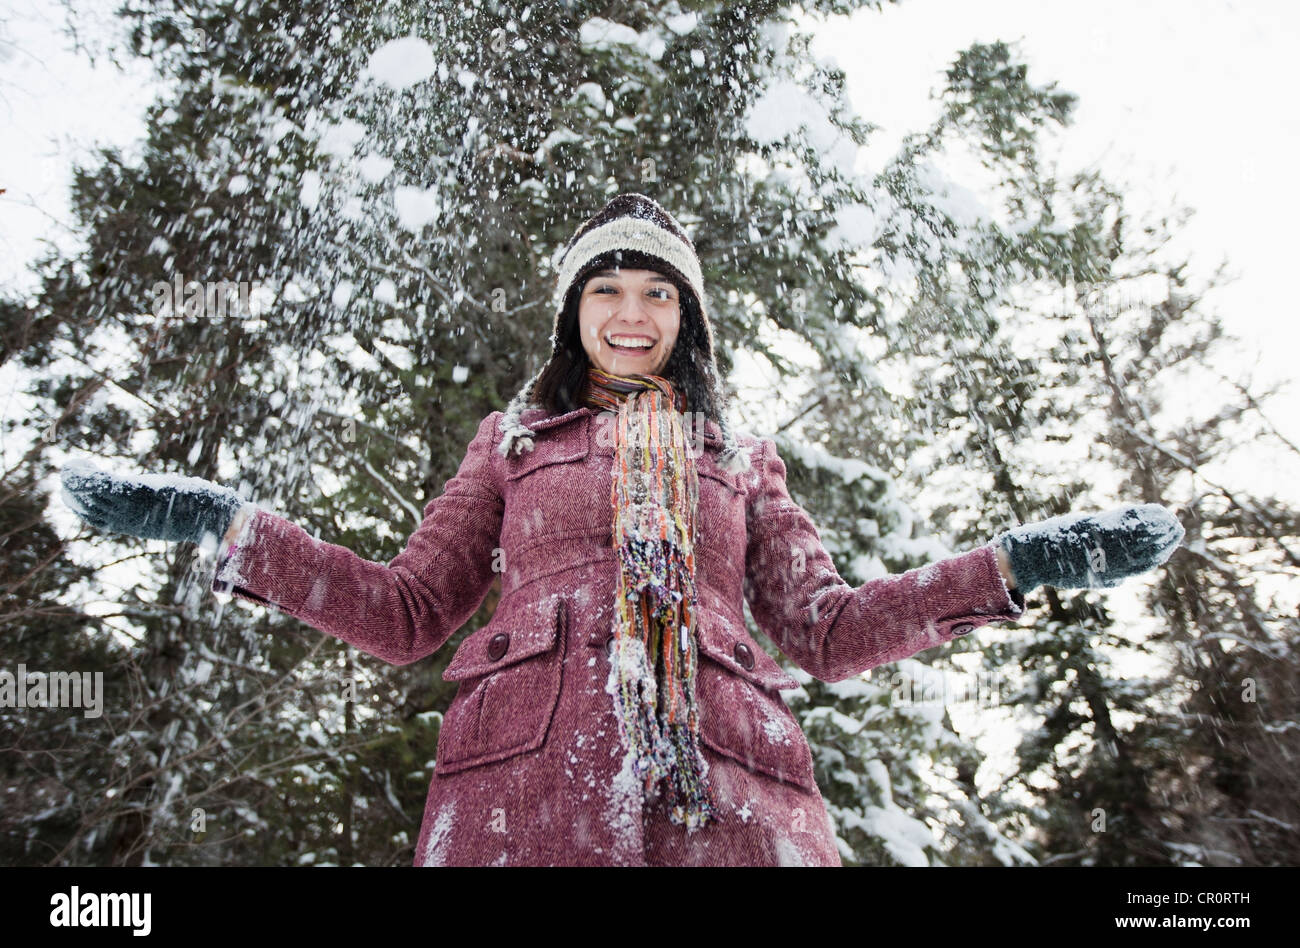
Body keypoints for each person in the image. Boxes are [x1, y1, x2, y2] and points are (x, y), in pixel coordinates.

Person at [60, 193, 1185, 866]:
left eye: (658, 293)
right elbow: (403, 613)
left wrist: (1016, 562)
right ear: (574, 313)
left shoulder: (737, 459)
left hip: (734, 799)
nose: (632, 314)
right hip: (523, 800)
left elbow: (832, 631)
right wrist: (229, 527)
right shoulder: (510, 442)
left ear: (687, 316)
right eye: (607, 292)